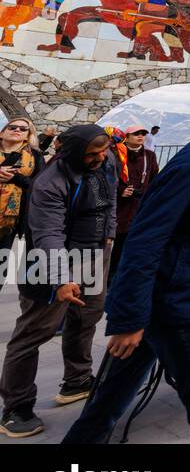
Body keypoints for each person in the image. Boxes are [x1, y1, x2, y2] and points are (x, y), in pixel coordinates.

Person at [61, 85, 190, 445]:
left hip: (172, 298)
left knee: (114, 393)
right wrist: (129, 318)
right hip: (175, 306)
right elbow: (145, 240)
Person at [0, 125, 116, 439]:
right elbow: (49, 235)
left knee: (86, 318)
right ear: (75, 152)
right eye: (93, 153)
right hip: (50, 262)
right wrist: (62, 279)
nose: (100, 157)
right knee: (34, 331)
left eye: (102, 151)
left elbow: (108, 202)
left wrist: (109, 237)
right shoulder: (49, 183)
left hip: (91, 255)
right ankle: (16, 407)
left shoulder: (101, 165)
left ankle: (77, 381)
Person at [109, 124, 158, 282]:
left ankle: (124, 279)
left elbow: (154, 179)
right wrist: (120, 191)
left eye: (143, 134)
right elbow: (108, 179)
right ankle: (110, 279)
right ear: (127, 136)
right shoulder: (116, 153)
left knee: (132, 246)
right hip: (118, 208)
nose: (141, 136)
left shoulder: (149, 156)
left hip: (138, 208)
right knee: (114, 247)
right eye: (136, 133)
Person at [0, 117, 43, 291]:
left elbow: (39, 185)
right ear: (3, 132)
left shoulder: (35, 157)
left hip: (9, 221)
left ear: (28, 136)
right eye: (12, 127)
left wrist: (15, 178)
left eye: (23, 129)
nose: (17, 130)